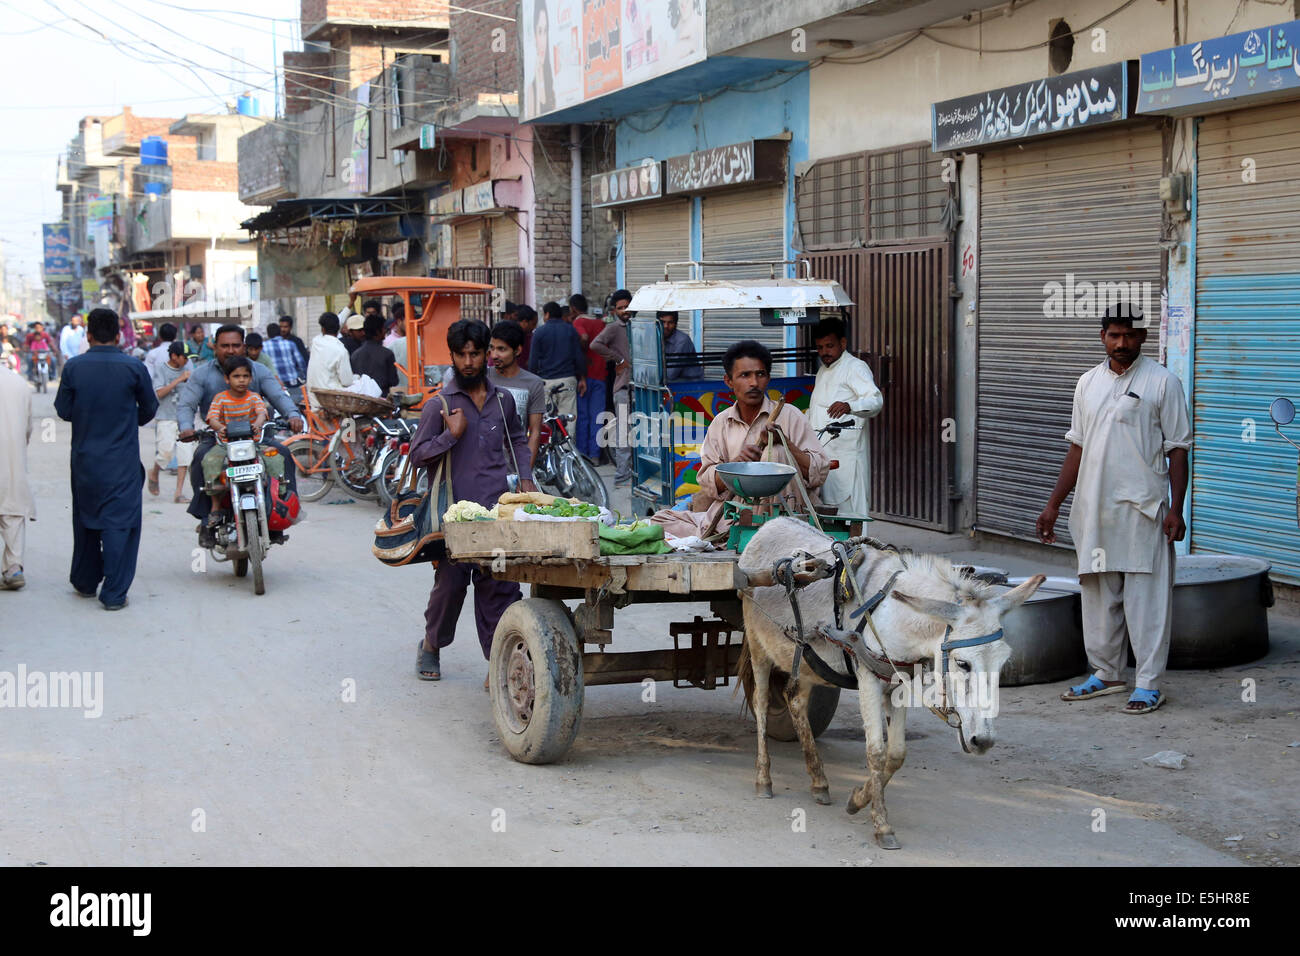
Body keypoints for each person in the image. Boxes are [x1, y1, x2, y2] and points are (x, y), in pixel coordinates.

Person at [1037, 303, 1192, 716]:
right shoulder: (1087, 382)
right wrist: (1054, 504)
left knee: (1147, 601)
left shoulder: (1163, 382)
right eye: (1113, 335)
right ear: (1102, 337)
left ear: (1142, 337)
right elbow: (1078, 446)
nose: (1121, 343)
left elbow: (1178, 449)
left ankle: (1148, 683)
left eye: (1129, 335)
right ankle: (1106, 673)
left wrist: (1176, 509)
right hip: (1095, 509)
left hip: (1143, 509)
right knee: (1098, 593)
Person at [409, 319, 535, 684]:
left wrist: (525, 476)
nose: (468, 361)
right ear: (452, 356)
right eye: (461, 354)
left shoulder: (503, 400)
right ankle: (431, 643)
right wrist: (451, 436)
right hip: (453, 516)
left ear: (486, 355)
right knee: (450, 586)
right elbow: (417, 456)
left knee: (500, 587)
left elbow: (518, 440)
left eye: (475, 353)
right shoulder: (440, 405)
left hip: (496, 512)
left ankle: (499, 663)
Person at [650, 340, 831, 540]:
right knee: (659, 520)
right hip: (733, 517)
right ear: (729, 381)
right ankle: (726, 532)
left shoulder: (791, 416)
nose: (754, 383)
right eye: (745, 375)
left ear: (768, 378)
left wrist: (786, 444)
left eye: (760, 374)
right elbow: (709, 484)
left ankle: (767, 533)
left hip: (787, 518)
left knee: (777, 453)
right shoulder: (721, 423)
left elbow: (819, 472)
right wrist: (735, 466)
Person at [53, 308, 159, 610]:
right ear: (118, 336)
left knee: (86, 518)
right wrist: (127, 419)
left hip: (85, 460)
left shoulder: (74, 367)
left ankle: (85, 581)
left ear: (88, 336)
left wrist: (88, 416)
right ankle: (113, 593)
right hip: (122, 461)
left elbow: (63, 410)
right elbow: (149, 409)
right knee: (120, 523)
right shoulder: (133, 367)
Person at [176, 324, 302, 539]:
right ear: (215, 347)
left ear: (244, 346)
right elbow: (186, 405)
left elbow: (278, 396)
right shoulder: (202, 374)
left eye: (236, 345)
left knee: (282, 454)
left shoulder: (259, 371)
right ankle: (207, 519)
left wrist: (293, 415)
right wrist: (186, 427)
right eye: (225, 346)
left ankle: (281, 512)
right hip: (218, 438)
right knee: (199, 459)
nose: (231, 350)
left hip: (257, 437)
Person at [807, 316, 883, 516]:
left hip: (848, 457)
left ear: (843, 343)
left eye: (829, 346)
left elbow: (875, 401)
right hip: (824, 454)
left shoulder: (855, 367)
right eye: (820, 347)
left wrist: (850, 406)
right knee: (827, 515)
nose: (824, 352)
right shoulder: (823, 370)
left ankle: (857, 548)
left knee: (851, 515)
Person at [200, 356, 268, 492]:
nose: (241, 380)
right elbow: (212, 418)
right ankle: (215, 503)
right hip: (226, 444)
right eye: (236, 376)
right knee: (209, 460)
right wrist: (220, 427)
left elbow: (262, 413)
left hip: (253, 443)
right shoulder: (220, 398)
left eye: (245, 376)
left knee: (275, 458)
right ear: (227, 379)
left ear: (251, 378)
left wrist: (258, 424)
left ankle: (278, 490)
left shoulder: (254, 397)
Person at [591, 291, 635, 486]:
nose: (625, 310)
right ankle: (622, 476)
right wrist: (619, 359)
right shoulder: (614, 328)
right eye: (620, 307)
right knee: (624, 433)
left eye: (627, 306)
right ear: (615, 311)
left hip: (641, 388)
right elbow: (595, 344)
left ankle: (638, 474)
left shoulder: (641, 327)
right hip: (623, 388)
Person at [488, 320, 545, 467]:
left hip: (514, 468)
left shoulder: (533, 383)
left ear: (517, 351)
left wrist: (526, 475)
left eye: (501, 349)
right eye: (492, 348)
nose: (494, 355)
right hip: (483, 469)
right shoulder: (483, 378)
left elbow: (535, 433)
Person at [0, 360, 34, 590]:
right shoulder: (18, 383)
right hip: (10, 457)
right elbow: (27, 429)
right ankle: (13, 568)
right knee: (11, 510)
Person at [148, 342, 194, 504]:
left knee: (185, 456)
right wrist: (179, 379)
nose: (187, 361)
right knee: (165, 453)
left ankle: (178, 493)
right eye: (184, 357)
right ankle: (154, 472)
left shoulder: (189, 369)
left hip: (185, 419)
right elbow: (159, 393)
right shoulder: (161, 369)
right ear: (174, 356)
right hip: (166, 416)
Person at [529, 301, 586, 424]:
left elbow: (533, 361)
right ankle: (567, 443)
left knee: (546, 421)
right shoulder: (570, 330)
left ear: (547, 314)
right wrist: (582, 378)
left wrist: (531, 382)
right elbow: (578, 357)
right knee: (569, 421)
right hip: (568, 381)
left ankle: (549, 443)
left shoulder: (539, 332)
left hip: (546, 383)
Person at [570, 293, 608, 465]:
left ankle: (583, 455)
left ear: (573, 309)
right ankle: (595, 455)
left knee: (583, 417)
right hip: (601, 375)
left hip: (585, 376)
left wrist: (582, 352)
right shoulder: (601, 323)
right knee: (597, 417)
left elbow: (584, 337)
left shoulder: (579, 322)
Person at [306, 312, 356, 411]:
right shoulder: (341, 350)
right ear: (339, 329)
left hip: (314, 401)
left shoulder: (316, 342)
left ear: (322, 329)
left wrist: (349, 306)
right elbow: (347, 382)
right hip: (332, 403)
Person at [349, 313, 399, 398]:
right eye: (383, 328)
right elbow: (394, 381)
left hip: (361, 401)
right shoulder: (387, 354)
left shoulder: (355, 355)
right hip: (382, 400)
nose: (385, 331)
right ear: (377, 331)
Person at [264, 322, 307, 407]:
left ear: (268, 334)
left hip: (274, 384)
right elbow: (301, 362)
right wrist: (304, 377)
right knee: (295, 406)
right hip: (292, 383)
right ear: (279, 332)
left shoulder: (263, 346)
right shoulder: (290, 344)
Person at [660, 311, 703, 382]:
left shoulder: (682, 340)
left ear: (676, 324)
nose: (666, 326)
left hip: (689, 385)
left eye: (670, 323)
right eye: (663, 322)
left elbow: (671, 374)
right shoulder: (656, 336)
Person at [515, 304, 538, 371]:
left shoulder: (529, 335)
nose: (534, 327)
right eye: (533, 324)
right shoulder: (513, 335)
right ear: (524, 322)